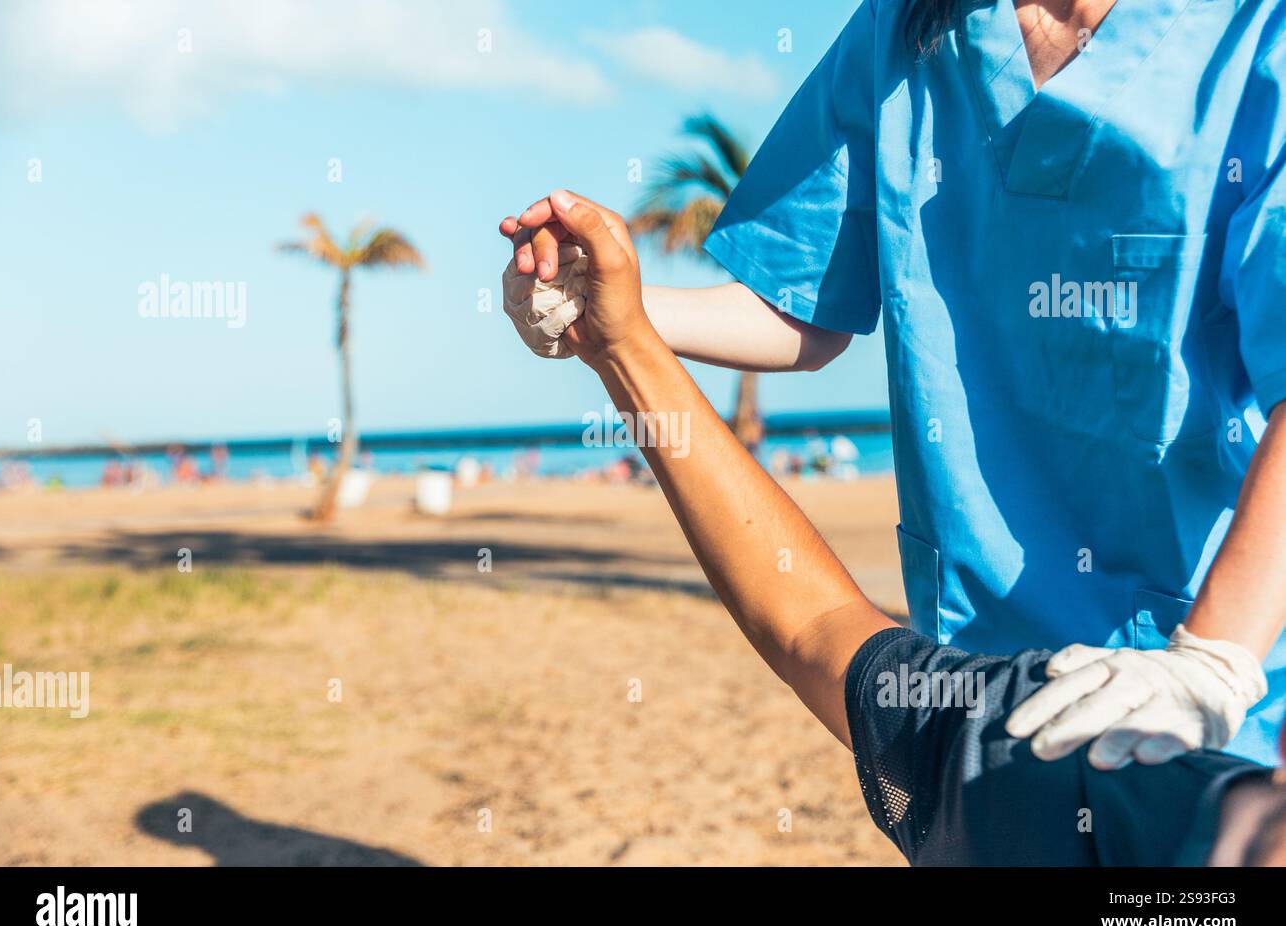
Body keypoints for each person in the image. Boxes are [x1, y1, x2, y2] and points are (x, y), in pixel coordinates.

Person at [500, 0, 1286, 767]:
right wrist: (620, 310)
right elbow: (799, 305)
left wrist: (1213, 659)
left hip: (1206, 686)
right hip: (975, 686)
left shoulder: (1255, 35)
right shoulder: (904, 29)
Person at [497, 190, 1285, 864]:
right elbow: (801, 299)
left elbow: (816, 628)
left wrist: (625, 338)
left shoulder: (978, 755)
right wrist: (623, 326)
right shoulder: (905, 32)